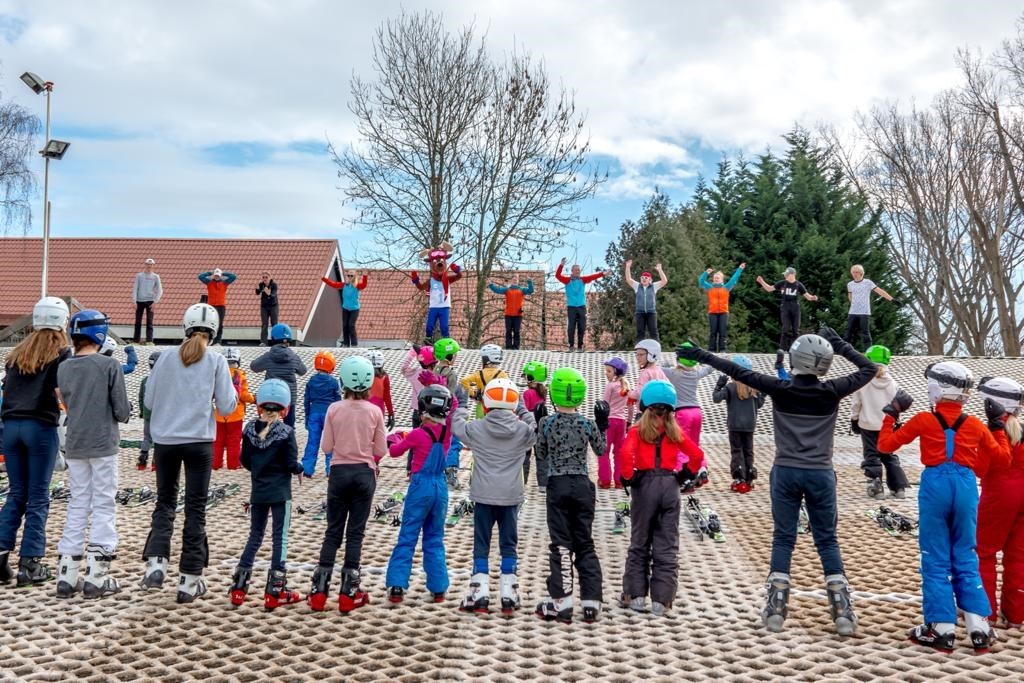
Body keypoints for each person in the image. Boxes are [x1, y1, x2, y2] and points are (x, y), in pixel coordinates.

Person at [677, 326, 876, 636]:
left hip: (785, 472)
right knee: (827, 539)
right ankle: (842, 610)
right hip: (821, 473)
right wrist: (840, 344)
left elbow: (734, 369)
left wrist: (699, 354)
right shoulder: (832, 390)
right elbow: (869, 368)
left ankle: (776, 608)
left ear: (794, 359)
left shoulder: (780, 388)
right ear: (824, 363)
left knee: (784, 537)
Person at [878, 362, 1011, 653]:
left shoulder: (924, 420)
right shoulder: (975, 424)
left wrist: (891, 414)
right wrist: (998, 427)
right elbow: (1002, 459)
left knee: (935, 556)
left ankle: (941, 628)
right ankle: (980, 627)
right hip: (964, 486)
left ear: (938, 388)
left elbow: (885, 446)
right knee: (965, 554)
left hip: (935, 484)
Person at [140, 303, 237, 604]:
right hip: (198, 443)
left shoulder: (166, 358)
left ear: (185, 326)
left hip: (166, 441)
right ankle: (189, 578)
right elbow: (227, 407)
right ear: (215, 331)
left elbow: (150, 401)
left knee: (165, 501)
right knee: (195, 508)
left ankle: (156, 563)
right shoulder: (217, 361)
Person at [55, 310, 132, 599]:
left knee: (77, 503)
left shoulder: (63, 367)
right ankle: (97, 576)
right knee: (103, 504)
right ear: (99, 335)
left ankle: (67, 574)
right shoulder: (108, 365)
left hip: (75, 443)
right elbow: (122, 411)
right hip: (102, 444)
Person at [0, 297, 71, 587]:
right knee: (39, 495)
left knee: (16, 493)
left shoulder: (16, 354)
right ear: (63, 322)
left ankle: (1, 556)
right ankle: (30, 564)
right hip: (39, 427)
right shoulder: (62, 354)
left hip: (10, 427)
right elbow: (61, 393)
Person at [308, 356, 387, 613]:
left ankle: (319, 592)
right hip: (364, 474)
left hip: (339, 473)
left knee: (333, 531)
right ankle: (348, 592)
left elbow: (326, 447)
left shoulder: (334, 409)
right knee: (355, 533)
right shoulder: (374, 411)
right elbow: (381, 449)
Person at [452, 379, 536, 615]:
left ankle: (479, 592)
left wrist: (463, 406)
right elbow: (535, 430)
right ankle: (509, 593)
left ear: (486, 403)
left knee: (482, 543)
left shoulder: (477, 428)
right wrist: (523, 411)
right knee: (509, 544)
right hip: (511, 496)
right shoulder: (522, 431)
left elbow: (457, 427)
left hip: (483, 495)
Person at [619, 380, 703, 616]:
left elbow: (625, 454)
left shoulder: (637, 430)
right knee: (667, 545)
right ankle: (661, 601)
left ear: (644, 405)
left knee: (639, 542)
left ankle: (634, 596)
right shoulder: (674, 431)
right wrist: (684, 475)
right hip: (670, 486)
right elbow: (696, 455)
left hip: (644, 486)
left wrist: (628, 477)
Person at [535, 368, 607, 623]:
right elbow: (601, 450)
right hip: (583, 485)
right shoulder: (587, 423)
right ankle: (591, 603)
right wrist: (603, 425)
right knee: (585, 542)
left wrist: (538, 426)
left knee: (562, 545)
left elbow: (541, 454)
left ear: (553, 395)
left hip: (558, 485)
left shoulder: (548, 423)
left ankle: (562, 603)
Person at [229, 378, 304, 610]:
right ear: (286, 408)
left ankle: (239, 587)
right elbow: (291, 463)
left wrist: (259, 471)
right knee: (279, 538)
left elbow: (244, 460)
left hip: (258, 490)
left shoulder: (249, 429)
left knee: (255, 535)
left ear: (258, 406)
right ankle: (276, 589)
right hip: (280, 492)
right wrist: (299, 469)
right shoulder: (286, 431)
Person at [385, 384, 457, 605]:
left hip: (420, 487)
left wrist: (394, 438)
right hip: (440, 487)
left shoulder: (417, 433)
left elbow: (395, 452)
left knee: (408, 537)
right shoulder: (448, 432)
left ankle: (397, 587)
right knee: (435, 539)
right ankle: (438, 589)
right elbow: (453, 405)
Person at [975, 377, 1024, 631]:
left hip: (998, 497)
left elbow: (980, 468)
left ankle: (986, 614)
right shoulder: (1021, 429)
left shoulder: (992, 431)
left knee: (984, 553)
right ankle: (1016, 615)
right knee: (1018, 557)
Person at [850, 345, 909, 499]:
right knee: (888, 454)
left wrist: (854, 419)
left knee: (871, 455)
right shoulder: (892, 383)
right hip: (887, 425)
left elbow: (856, 403)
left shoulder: (863, 381)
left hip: (867, 424)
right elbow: (897, 404)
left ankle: (876, 487)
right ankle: (898, 486)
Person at [663, 343, 714, 491]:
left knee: (679, 446)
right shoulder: (696, 373)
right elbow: (710, 368)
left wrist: (665, 362)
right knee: (694, 445)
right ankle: (702, 470)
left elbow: (656, 369)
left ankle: (682, 477)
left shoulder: (674, 374)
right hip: (697, 412)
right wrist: (702, 356)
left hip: (682, 413)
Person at [711, 355, 766, 493]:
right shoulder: (753, 388)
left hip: (735, 425)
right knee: (748, 451)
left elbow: (716, 399)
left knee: (737, 450)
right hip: (749, 425)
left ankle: (738, 477)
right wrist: (763, 394)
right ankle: (749, 477)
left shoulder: (730, 387)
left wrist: (719, 385)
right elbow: (758, 405)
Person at [755, 267, 819, 369]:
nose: (785, 276)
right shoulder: (782, 283)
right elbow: (769, 289)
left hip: (795, 308)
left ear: (792, 275)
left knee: (795, 331)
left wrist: (813, 298)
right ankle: (781, 350)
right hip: (785, 307)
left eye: (786, 274)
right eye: (785, 275)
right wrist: (762, 281)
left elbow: (807, 296)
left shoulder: (798, 284)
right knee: (785, 328)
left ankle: (795, 351)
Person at [250, 324, 307, 429]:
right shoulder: (294, 357)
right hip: (289, 397)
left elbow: (253, 366)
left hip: (270, 395)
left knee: (268, 424)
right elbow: (303, 371)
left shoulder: (268, 356)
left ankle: (267, 440)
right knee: (289, 426)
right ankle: (288, 440)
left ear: (273, 339)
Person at [213, 348, 254, 470]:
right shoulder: (240, 375)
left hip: (219, 414)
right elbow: (244, 395)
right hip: (236, 414)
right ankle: (233, 464)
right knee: (234, 441)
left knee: (218, 441)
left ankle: (215, 464)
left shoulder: (218, 374)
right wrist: (254, 399)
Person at [302, 351, 341, 477]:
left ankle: (307, 469)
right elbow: (338, 401)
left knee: (312, 442)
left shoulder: (311, 381)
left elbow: (306, 400)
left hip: (314, 414)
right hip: (329, 415)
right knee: (330, 442)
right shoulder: (334, 382)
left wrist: (307, 417)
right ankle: (330, 469)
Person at [554, 257, 604, 351]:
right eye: (576, 270)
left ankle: (580, 346)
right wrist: (561, 265)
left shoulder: (582, 280)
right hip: (571, 307)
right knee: (571, 327)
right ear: (572, 271)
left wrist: (603, 273)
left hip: (581, 307)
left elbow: (593, 277)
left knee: (582, 326)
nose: (578, 271)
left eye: (579, 270)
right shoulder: (567, 280)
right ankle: (571, 345)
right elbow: (557, 276)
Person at [844, 264, 896, 348]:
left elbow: (880, 291)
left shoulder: (868, 282)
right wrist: (853, 303)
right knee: (848, 332)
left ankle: (868, 350)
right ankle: (845, 349)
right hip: (853, 312)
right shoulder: (850, 284)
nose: (854, 274)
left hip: (864, 312)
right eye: (853, 272)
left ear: (861, 273)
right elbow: (850, 295)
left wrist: (892, 299)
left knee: (865, 332)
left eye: (856, 272)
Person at [698, 262, 745, 352]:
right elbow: (701, 281)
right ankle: (711, 349)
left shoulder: (726, 287)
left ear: (722, 280)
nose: (716, 279)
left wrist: (740, 269)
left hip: (723, 312)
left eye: (718, 278)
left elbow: (734, 278)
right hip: (713, 312)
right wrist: (706, 273)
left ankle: (722, 349)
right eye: (715, 278)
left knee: (722, 332)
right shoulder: (710, 287)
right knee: (713, 332)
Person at [599, 358, 630, 489]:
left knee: (604, 451)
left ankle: (605, 480)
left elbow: (605, 404)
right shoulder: (626, 387)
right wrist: (629, 421)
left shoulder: (610, 386)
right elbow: (631, 406)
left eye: (609, 371)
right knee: (619, 452)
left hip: (609, 421)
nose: (606, 373)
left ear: (616, 372)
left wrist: (600, 421)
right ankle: (619, 480)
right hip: (622, 422)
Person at [488, 274, 534, 350]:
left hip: (518, 315)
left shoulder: (521, 289)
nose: (515, 279)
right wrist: (491, 284)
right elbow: (497, 290)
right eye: (514, 278)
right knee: (508, 331)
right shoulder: (507, 289)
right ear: (511, 280)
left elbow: (530, 290)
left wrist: (529, 282)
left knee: (517, 331)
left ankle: (516, 347)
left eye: (516, 278)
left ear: (518, 280)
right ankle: (508, 347)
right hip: (508, 315)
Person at [624, 260, 668, 341]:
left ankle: (656, 349)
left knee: (653, 332)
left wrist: (660, 270)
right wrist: (627, 267)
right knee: (640, 332)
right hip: (640, 313)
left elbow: (664, 281)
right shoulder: (637, 286)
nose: (644, 279)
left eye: (646, 278)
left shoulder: (654, 286)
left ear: (650, 280)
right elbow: (628, 279)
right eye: (642, 278)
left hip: (651, 312)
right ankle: (640, 351)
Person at [322, 271, 368, 347]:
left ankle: (354, 343)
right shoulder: (344, 285)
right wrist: (323, 278)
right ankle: (346, 343)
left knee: (351, 325)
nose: (350, 277)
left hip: (354, 309)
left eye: (351, 275)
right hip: (345, 308)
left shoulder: (357, 286)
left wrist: (365, 276)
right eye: (348, 275)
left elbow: (364, 285)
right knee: (345, 325)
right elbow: (333, 284)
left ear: (354, 277)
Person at [521, 361, 549, 485]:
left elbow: (524, 411)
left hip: (528, 427)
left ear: (531, 378)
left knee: (525, 457)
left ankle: (522, 481)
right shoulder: (544, 392)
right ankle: (543, 484)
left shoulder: (527, 393)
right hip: (541, 426)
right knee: (542, 456)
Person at [400, 344, 438, 429]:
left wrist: (411, 354)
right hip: (432, 412)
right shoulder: (438, 375)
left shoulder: (416, 373)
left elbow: (403, 369)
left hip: (417, 410)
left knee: (416, 437)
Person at [197, 268, 237, 345]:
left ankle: (218, 340)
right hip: (211, 306)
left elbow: (233, 277)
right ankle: (210, 339)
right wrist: (209, 273)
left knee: (220, 324)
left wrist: (224, 273)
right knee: (210, 323)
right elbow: (200, 277)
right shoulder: (209, 282)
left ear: (220, 276)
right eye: (215, 276)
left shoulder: (224, 283)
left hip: (221, 306)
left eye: (218, 276)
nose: (217, 277)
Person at [627, 339, 667, 413]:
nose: (638, 357)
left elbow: (639, 393)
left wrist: (629, 393)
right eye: (637, 354)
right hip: (658, 412)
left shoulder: (646, 373)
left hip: (644, 413)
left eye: (641, 354)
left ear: (652, 355)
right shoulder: (660, 372)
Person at [137, 351, 161, 471]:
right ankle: (156, 463)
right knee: (159, 439)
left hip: (147, 414)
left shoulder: (145, 380)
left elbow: (141, 398)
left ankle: (142, 461)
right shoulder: (164, 381)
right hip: (160, 415)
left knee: (147, 437)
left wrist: (142, 412)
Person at [132, 258, 163, 344]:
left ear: (153, 266)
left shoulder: (155, 277)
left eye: (151, 265)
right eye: (148, 264)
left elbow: (160, 290)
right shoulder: (139, 276)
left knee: (149, 321)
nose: (149, 266)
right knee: (138, 321)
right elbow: (135, 288)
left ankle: (149, 341)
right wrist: (134, 301)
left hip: (150, 301)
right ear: (145, 265)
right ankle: (136, 341)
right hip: (139, 301)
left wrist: (155, 301)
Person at [366, 350, 395, 430]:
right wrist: (391, 414)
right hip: (379, 410)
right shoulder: (384, 377)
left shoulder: (363, 377)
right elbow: (387, 397)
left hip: (364, 410)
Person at [255, 271, 279, 346]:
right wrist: (257, 289)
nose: (265, 279)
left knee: (274, 324)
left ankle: (275, 342)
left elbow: (273, 294)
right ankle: (263, 342)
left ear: (270, 277)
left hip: (273, 306)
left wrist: (268, 293)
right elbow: (258, 293)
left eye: (266, 277)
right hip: (264, 307)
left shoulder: (274, 285)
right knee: (264, 324)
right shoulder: (261, 285)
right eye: (263, 277)